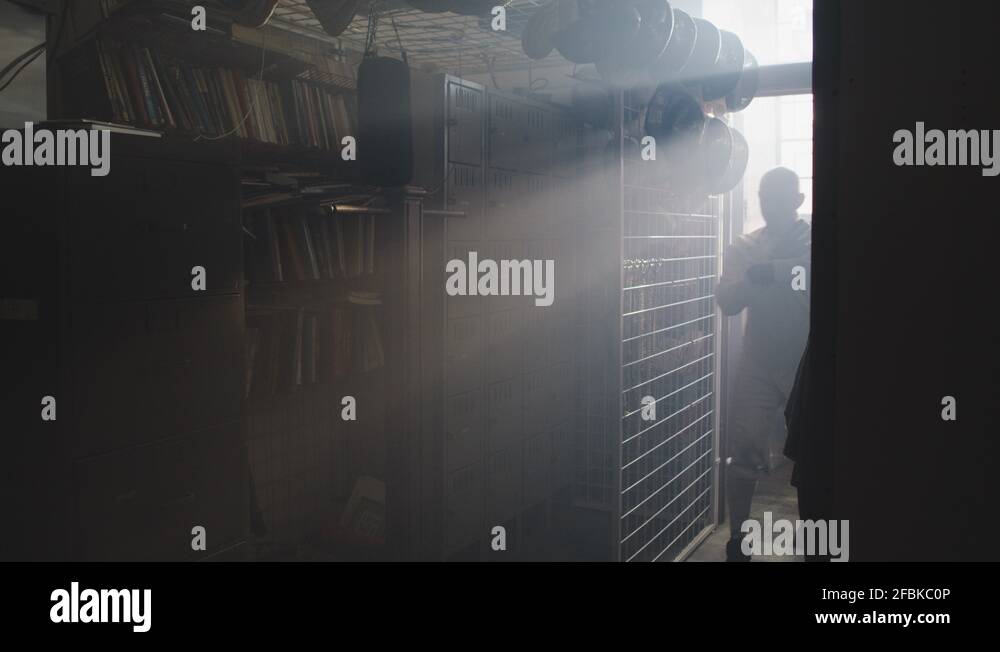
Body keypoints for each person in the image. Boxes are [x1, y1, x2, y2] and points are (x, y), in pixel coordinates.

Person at [716, 167, 811, 561]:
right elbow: (728, 301)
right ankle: (738, 538)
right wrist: (752, 279)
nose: (769, 202)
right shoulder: (744, 245)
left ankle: (815, 539)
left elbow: (814, 275)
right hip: (758, 358)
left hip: (806, 360)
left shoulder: (814, 240)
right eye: (764, 195)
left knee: (813, 453)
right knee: (745, 449)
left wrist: (769, 270)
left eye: (777, 195)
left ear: (797, 200)